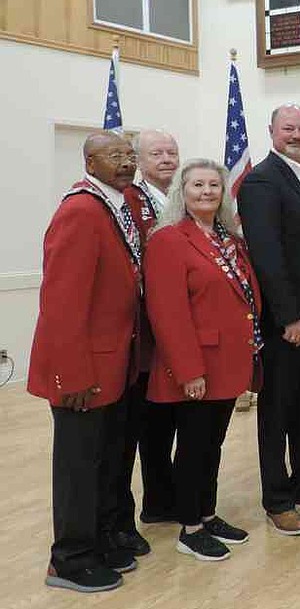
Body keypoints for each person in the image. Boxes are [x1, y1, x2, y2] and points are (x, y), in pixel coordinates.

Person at [29, 131, 142, 592]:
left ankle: (97, 540)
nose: (126, 162)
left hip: (115, 363)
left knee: (106, 460)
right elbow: (63, 303)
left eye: (130, 155)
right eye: (114, 155)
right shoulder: (80, 211)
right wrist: (71, 373)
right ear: (89, 163)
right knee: (79, 467)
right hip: (83, 370)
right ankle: (70, 559)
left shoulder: (119, 203)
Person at [144, 159, 258, 561]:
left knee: (213, 444)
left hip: (229, 362)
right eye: (198, 185)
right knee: (193, 447)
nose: (207, 192)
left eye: (214, 185)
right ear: (182, 192)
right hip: (197, 366)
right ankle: (190, 527)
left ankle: (207, 514)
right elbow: (167, 312)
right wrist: (188, 371)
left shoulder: (230, 239)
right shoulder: (168, 240)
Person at [237, 104, 300, 537]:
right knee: (278, 410)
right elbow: (267, 255)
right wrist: (289, 315)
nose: (297, 134)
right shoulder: (261, 181)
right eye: (288, 128)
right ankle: (277, 498)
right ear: (271, 131)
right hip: (290, 321)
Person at [122, 129, 180, 531]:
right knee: (152, 420)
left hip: (180, 324)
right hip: (146, 328)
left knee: (175, 416)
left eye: (171, 152)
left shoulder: (181, 197)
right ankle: (157, 500)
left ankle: (170, 493)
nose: (166, 159)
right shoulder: (132, 200)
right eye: (156, 153)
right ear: (140, 161)